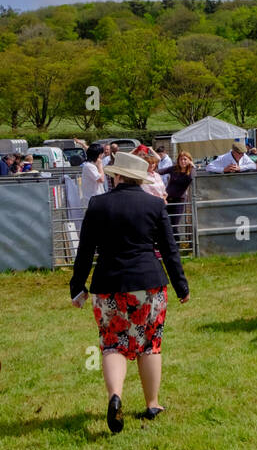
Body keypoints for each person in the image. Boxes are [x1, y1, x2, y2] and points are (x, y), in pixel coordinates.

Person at [70, 150, 189, 431]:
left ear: (118, 176)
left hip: (107, 285)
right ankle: (152, 403)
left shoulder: (97, 205)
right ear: (139, 178)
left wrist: (78, 287)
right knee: (150, 343)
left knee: (113, 344)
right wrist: (181, 285)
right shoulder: (155, 205)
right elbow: (170, 251)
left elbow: (84, 250)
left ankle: (115, 396)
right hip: (149, 284)